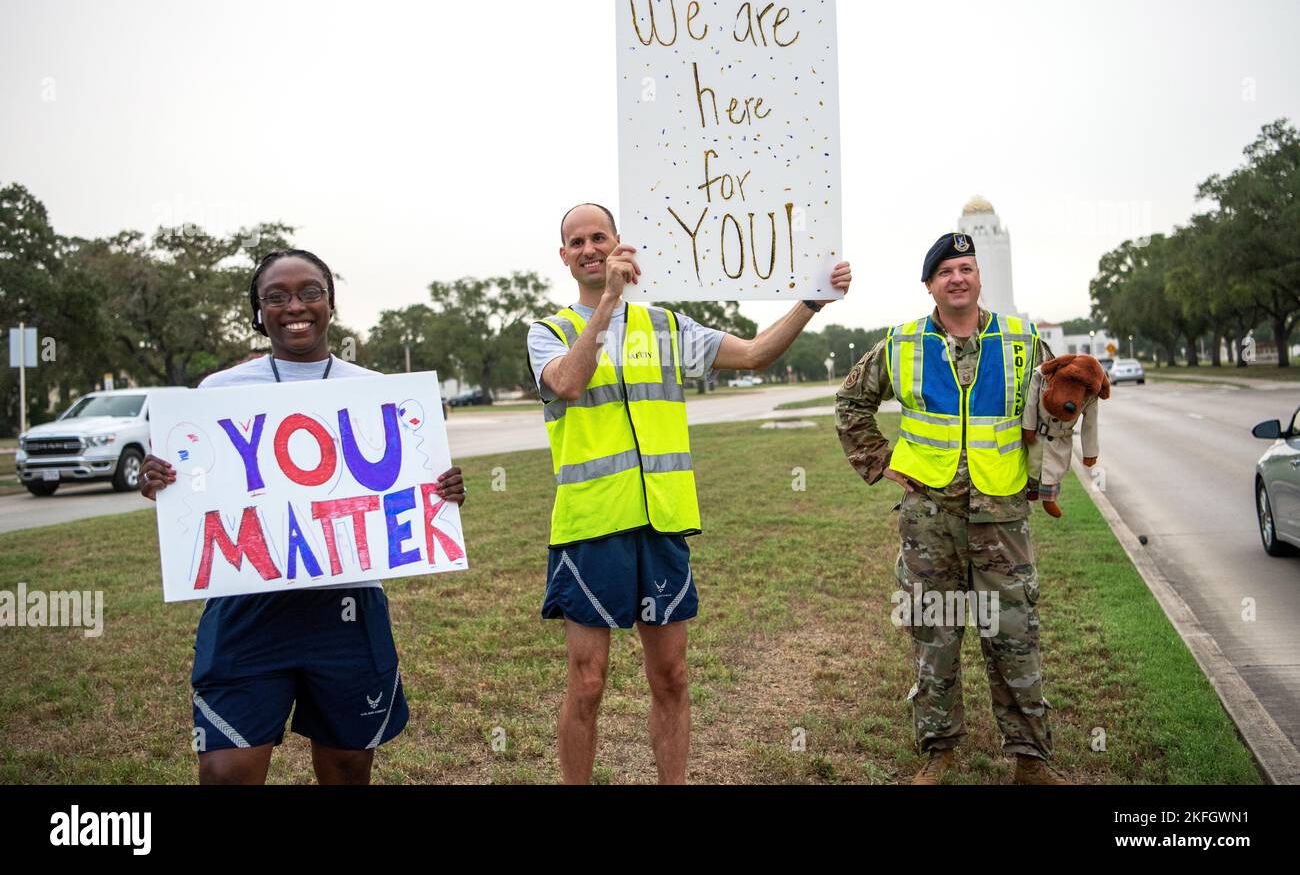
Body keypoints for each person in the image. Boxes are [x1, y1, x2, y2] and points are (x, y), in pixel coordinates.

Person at [528, 202, 852, 784]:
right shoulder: (547, 333)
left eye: (598, 237)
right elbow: (569, 384)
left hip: (662, 524)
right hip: (590, 526)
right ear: (563, 256)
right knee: (588, 681)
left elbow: (754, 353)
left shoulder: (667, 327)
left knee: (672, 677)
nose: (589, 249)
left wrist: (811, 302)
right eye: (576, 242)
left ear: (618, 241)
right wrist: (606, 304)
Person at [139, 249, 466, 785]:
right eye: (277, 296)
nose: (296, 306)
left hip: (347, 608)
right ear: (258, 311)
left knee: (347, 767)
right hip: (246, 606)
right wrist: (158, 482)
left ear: (330, 304)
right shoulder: (219, 394)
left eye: (310, 292)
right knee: (227, 773)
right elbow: (192, 489)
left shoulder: (375, 391)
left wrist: (443, 491)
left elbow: (412, 481)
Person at [834, 232, 1068, 785]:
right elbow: (851, 401)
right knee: (934, 633)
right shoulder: (902, 342)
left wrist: (1046, 473)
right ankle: (938, 750)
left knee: (1013, 633)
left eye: (965, 268)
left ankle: (1031, 761)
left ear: (978, 277)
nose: (957, 278)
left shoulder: (1021, 339)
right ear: (930, 285)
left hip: (1002, 515)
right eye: (945, 272)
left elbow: (1058, 406)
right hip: (929, 517)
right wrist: (880, 459)